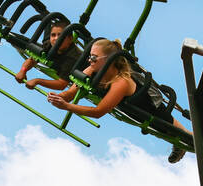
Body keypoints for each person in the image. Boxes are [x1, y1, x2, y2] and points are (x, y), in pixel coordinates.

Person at [47, 38, 191, 164]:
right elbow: (71, 92)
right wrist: (60, 97)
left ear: (108, 60)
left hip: (151, 108)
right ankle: (183, 143)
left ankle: (198, 141)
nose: (89, 60)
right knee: (170, 133)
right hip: (135, 110)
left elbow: (98, 112)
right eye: (90, 56)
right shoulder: (91, 70)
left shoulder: (121, 82)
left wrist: (66, 106)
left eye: (94, 57)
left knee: (179, 133)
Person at [15, 22, 85, 93]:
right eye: (53, 35)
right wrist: (23, 70)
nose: (56, 38)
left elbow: (62, 84)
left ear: (70, 39)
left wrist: (37, 81)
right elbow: (33, 58)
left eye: (60, 36)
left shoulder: (73, 57)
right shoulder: (49, 44)